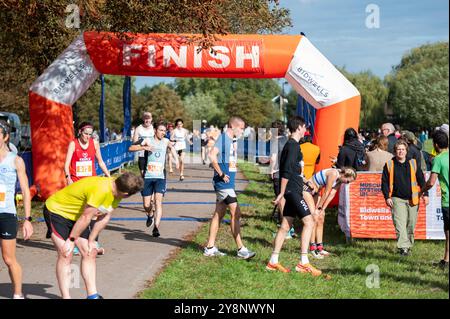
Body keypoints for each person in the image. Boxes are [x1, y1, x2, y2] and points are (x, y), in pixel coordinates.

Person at [43, 172, 143, 299]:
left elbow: (104, 216)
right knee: (66, 253)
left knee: (90, 251)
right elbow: (86, 217)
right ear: (126, 194)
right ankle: (66, 297)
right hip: (58, 212)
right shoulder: (101, 190)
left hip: (79, 216)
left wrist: (91, 240)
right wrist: (72, 239)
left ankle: (92, 295)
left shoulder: (116, 191)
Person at [266, 116, 321, 276]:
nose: (306, 130)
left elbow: (294, 171)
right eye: (304, 127)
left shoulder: (292, 146)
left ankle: (273, 261)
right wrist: (282, 193)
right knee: (309, 221)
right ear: (299, 127)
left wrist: (306, 181)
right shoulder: (294, 146)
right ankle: (303, 263)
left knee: (285, 226)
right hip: (291, 191)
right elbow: (286, 171)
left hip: (294, 189)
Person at [203, 116, 256, 259]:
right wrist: (221, 174)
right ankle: (241, 249)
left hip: (227, 183)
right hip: (223, 184)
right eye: (242, 128)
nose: (243, 131)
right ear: (233, 127)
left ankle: (210, 247)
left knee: (218, 214)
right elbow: (211, 155)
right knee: (236, 213)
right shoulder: (223, 139)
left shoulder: (231, 141)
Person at [64, 121, 110, 256]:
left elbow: (100, 161)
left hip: (92, 184)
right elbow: (66, 164)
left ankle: (94, 241)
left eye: (90, 134)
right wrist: (68, 178)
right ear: (79, 132)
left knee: (94, 213)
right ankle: (77, 243)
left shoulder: (94, 143)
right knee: (80, 215)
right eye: (85, 134)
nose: (87, 137)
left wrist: (108, 176)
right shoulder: (73, 144)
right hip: (77, 184)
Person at [0, 120, 33, 299]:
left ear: (5, 137)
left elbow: (26, 191)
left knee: (8, 259)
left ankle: (18, 294)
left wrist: (27, 219)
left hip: (6, 214)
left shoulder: (16, 160)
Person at [129, 123, 179, 237]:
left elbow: (172, 149)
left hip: (160, 177)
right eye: (161, 130)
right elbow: (131, 148)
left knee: (158, 202)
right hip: (148, 177)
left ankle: (156, 227)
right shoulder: (148, 140)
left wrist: (176, 160)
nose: (163, 132)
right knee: (147, 205)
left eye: (164, 131)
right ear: (155, 130)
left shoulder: (166, 141)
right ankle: (150, 214)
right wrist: (143, 147)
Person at [381, 140, 429, 256]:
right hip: (397, 199)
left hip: (413, 198)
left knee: (411, 224)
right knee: (400, 224)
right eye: (398, 149)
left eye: (403, 149)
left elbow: (421, 180)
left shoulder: (413, 163)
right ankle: (403, 248)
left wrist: (425, 195)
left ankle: (408, 245)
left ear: (406, 151)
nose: (401, 151)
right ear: (395, 151)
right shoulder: (389, 164)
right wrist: (387, 197)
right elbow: (384, 183)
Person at [303, 167, 357, 259]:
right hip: (308, 189)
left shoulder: (340, 180)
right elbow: (327, 192)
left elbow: (332, 194)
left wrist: (323, 209)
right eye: (348, 181)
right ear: (344, 175)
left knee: (321, 218)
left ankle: (319, 247)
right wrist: (318, 208)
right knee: (314, 218)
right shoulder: (334, 174)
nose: (347, 183)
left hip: (316, 192)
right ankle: (312, 248)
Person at [422, 131, 448, 269]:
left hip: (447, 201)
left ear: (436, 145)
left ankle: (446, 261)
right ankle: (446, 260)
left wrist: (421, 190)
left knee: (448, 232)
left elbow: (431, 182)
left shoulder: (438, 159)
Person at [268, 121, 291, 235]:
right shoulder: (287, 140)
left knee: (281, 200)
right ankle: (289, 226)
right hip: (288, 174)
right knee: (287, 199)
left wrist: (271, 170)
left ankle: (285, 228)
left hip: (278, 172)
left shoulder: (275, 141)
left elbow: (273, 158)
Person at [132, 112, 155, 178]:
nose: (147, 120)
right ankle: (145, 186)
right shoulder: (139, 128)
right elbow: (134, 142)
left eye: (149, 118)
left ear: (151, 119)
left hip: (152, 153)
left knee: (151, 173)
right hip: (142, 153)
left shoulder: (154, 129)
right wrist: (142, 142)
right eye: (145, 118)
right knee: (143, 174)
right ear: (143, 119)